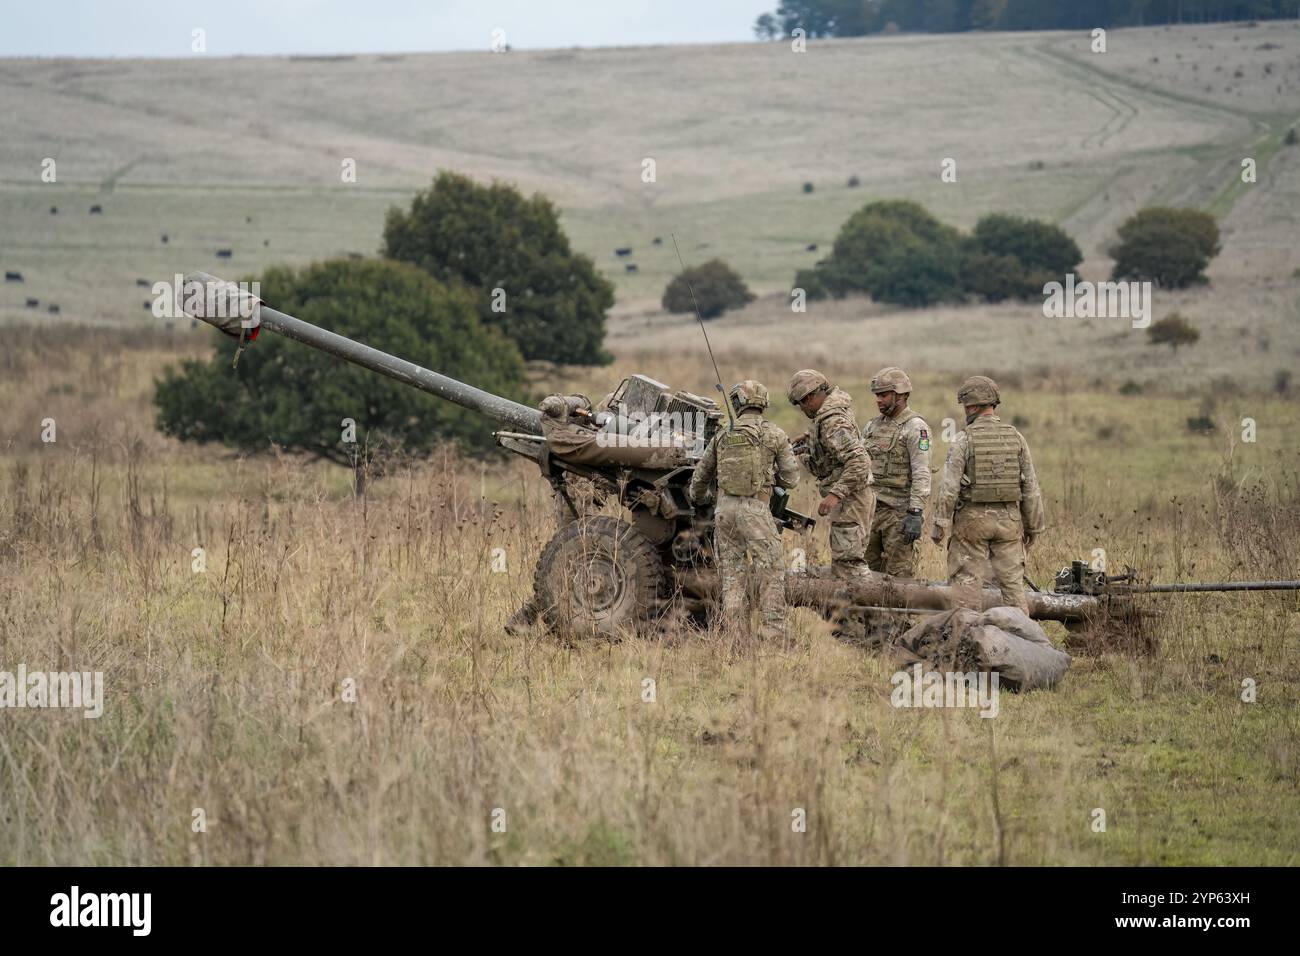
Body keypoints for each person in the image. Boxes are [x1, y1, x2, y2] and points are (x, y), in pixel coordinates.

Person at [688, 380, 800, 640]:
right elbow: (792, 478)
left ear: (737, 403)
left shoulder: (721, 435)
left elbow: (699, 480)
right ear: (764, 403)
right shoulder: (775, 434)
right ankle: (775, 635)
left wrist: (701, 498)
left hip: (724, 510)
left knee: (732, 576)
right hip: (756, 510)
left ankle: (736, 638)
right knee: (771, 572)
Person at [929, 376, 1045, 613]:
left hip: (972, 524)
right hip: (1009, 524)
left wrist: (939, 524)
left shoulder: (963, 439)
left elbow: (949, 487)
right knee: (1013, 590)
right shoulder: (1017, 438)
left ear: (971, 406)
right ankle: (1022, 640)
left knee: (966, 589)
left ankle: (967, 640)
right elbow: (1031, 488)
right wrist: (1033, 527)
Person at [786, 369, 874, 580]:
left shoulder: (831, 421)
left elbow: (859, 461)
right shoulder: (827, 416)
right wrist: (807, 443)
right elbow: (832, 450)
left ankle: (869, 609)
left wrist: (835, 495)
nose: (802, 409)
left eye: (801, 404)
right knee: (845, 566)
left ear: (809, 397)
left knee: (849, 567)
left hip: (850, 499)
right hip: (851, 498)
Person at [861, 366, 931, 577]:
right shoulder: (872, 427)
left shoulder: (916, 428)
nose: (878, 400)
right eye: (877, 396)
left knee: (899, 581)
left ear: (900, 395)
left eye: (883, 395)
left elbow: (922, 472)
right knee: (866, 577)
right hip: (871, 512)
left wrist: (916, 513)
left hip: (900, 516)